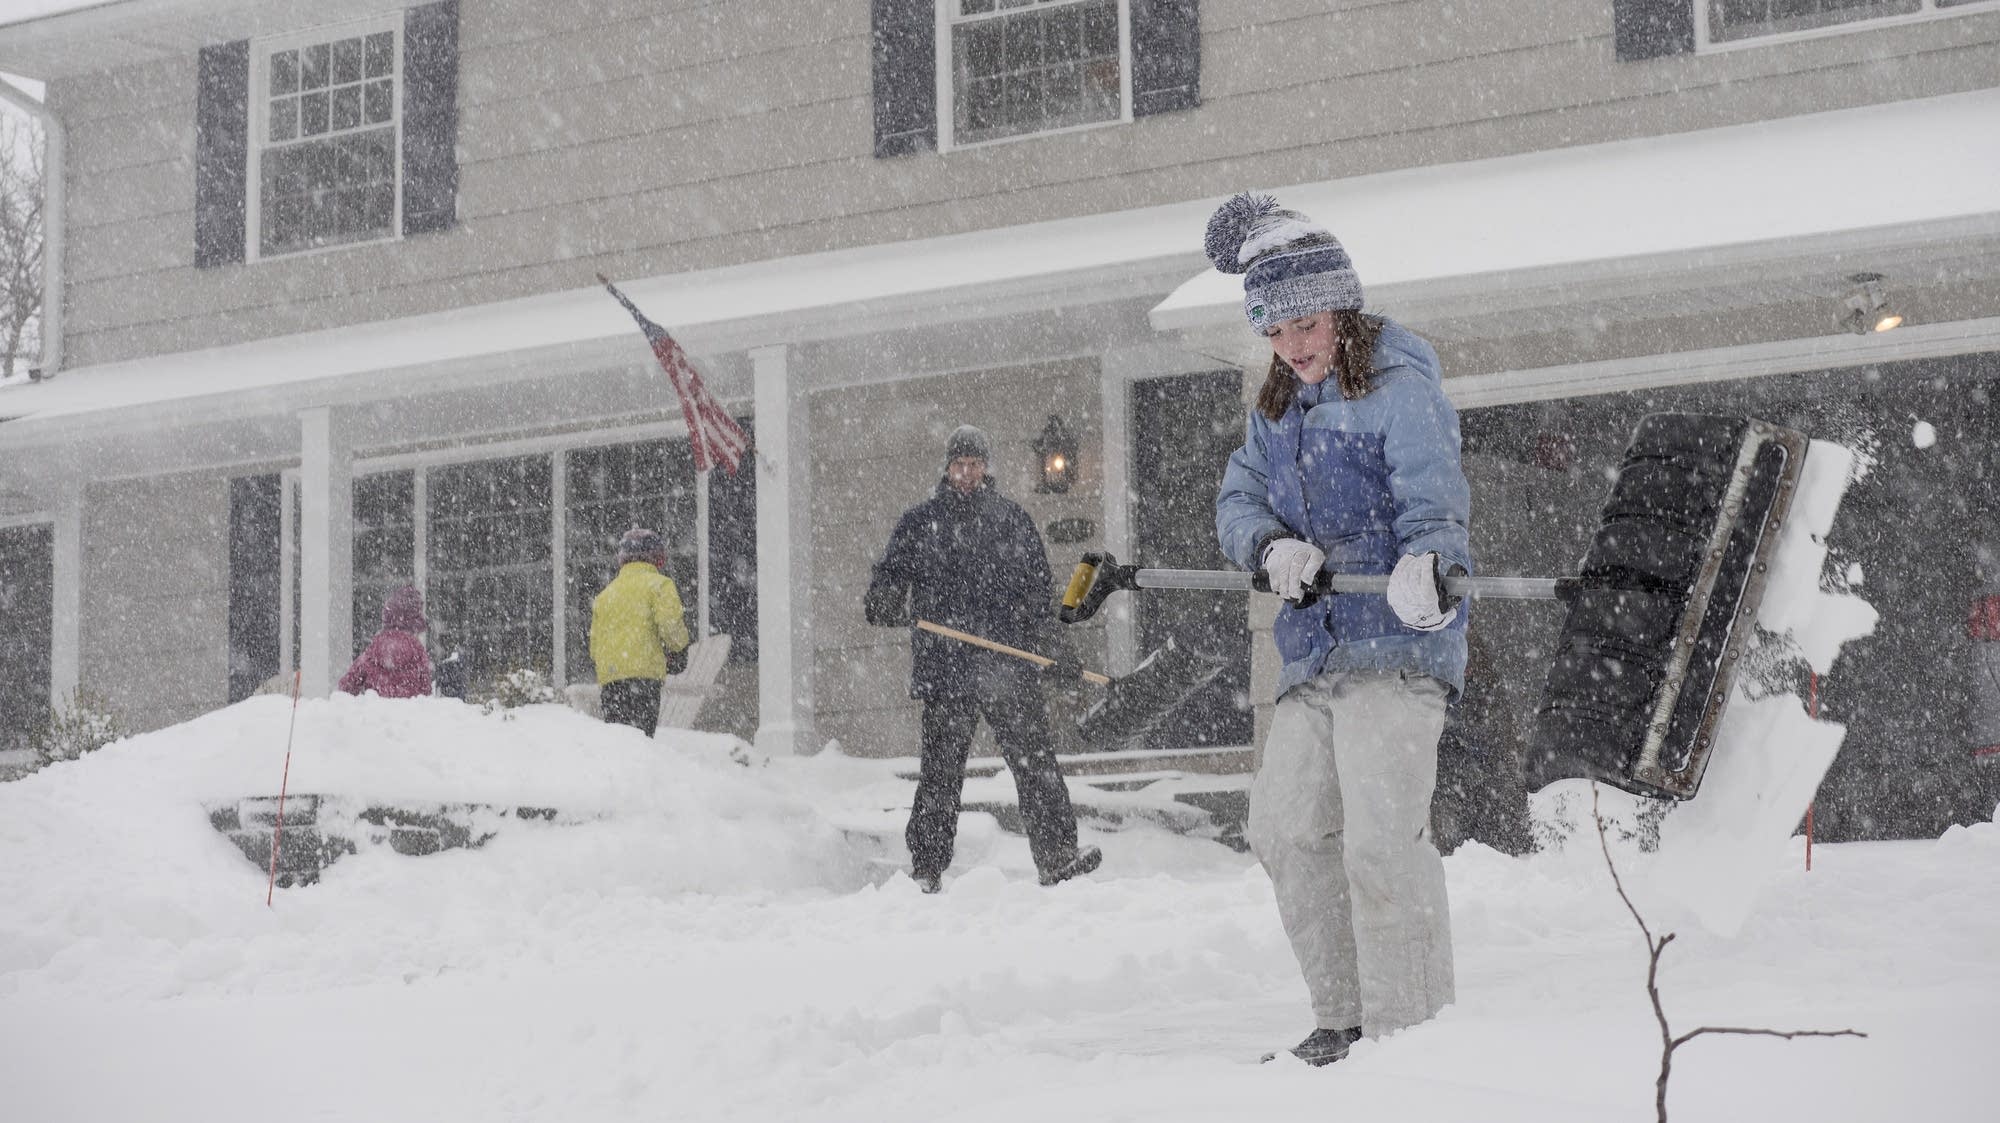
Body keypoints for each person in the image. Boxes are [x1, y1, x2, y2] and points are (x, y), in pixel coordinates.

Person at [1207, 192, 1472, 1066]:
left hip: (1396, 649)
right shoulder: (1277, 408)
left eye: (1308, 323)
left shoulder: (1402, 389)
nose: (1294, 345)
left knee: (1380, 843)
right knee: (1284, 829)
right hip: (1315, 652)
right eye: (1276, 330)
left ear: (1342, 311)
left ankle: (1412, 1031)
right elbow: (1238, 498)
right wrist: (1269, 545)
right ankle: (1345, 1017)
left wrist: (1427, 563)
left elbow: (1437, 504)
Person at [865, 424, 1103, 894]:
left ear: (985, 467)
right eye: (959, 464)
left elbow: (1038, 598)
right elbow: (887, 582)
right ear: (947, 468)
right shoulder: (921, 523)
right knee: (940, 772)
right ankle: (927, 868)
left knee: (1035, 761)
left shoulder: (1012, 521)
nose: (967, 472)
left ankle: (1058, 857)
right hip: (945, 667)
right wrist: (886, 600)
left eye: (974, 464)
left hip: (1007, 667)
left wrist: (1058, 651)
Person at [588, 527, 691, 736]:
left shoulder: (605, 595)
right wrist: (679, 650)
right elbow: (670, 627)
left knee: (618, 741)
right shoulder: (660, 585)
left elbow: (594, 648)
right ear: (658, 558)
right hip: (644, 677)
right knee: (642, 740)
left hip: (611, 679)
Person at [338, 584, 435, 699]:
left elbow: (347, 686)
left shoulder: (373, 649)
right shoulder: (417, 650)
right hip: (408, 709)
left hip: (377, 709)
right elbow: (425, 690)